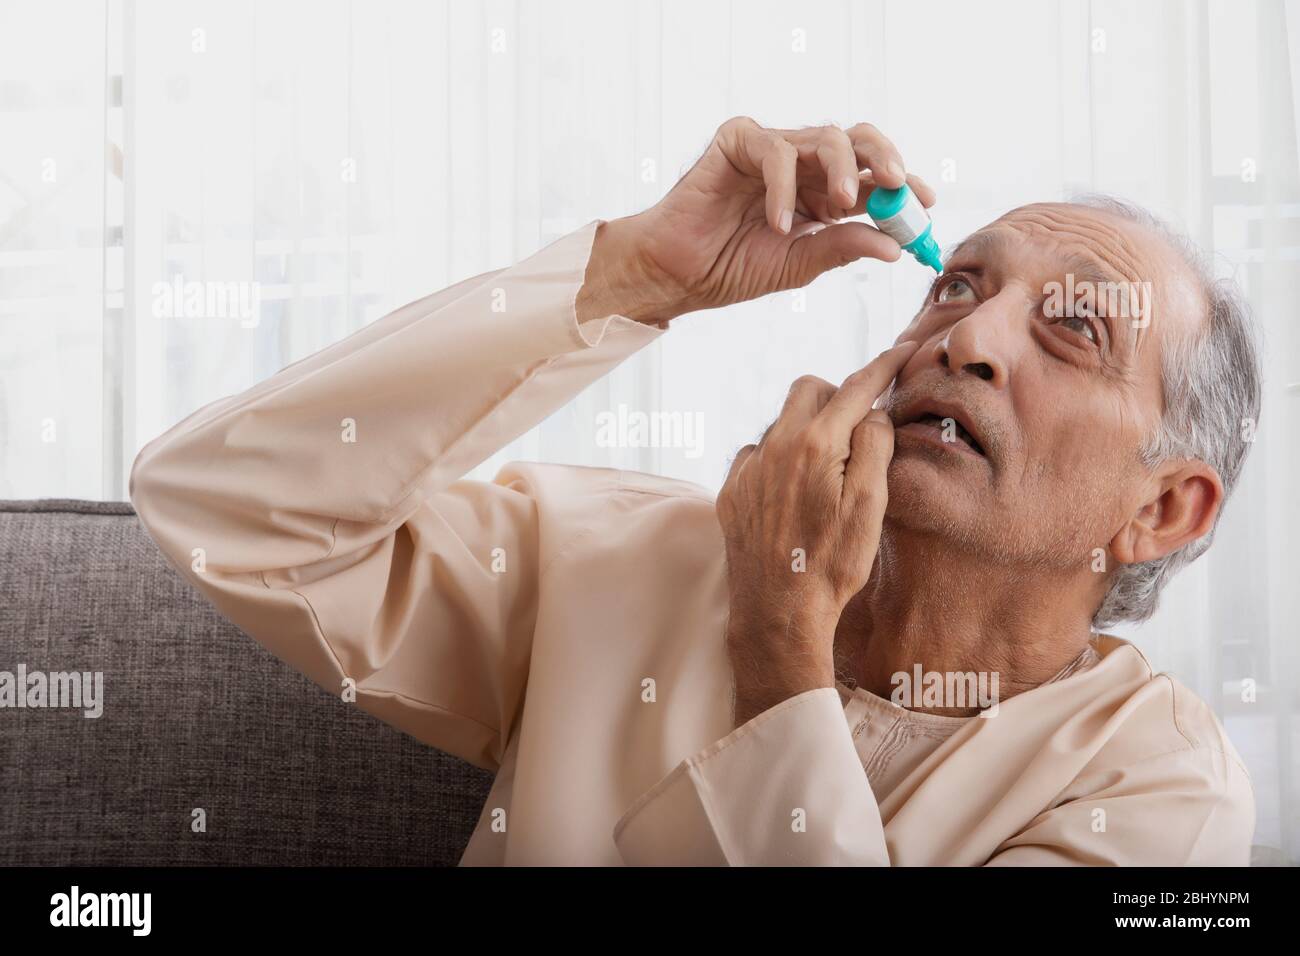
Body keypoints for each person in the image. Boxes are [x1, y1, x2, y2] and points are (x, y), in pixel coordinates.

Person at [130, 116, 1260, 865]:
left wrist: (782, 657)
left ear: (1162, 509)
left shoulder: (1161, 788)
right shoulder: (611, 558)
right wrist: (639, 274)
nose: (966, 337)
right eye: (956, 284)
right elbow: (218, 503)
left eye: (1072, 328)